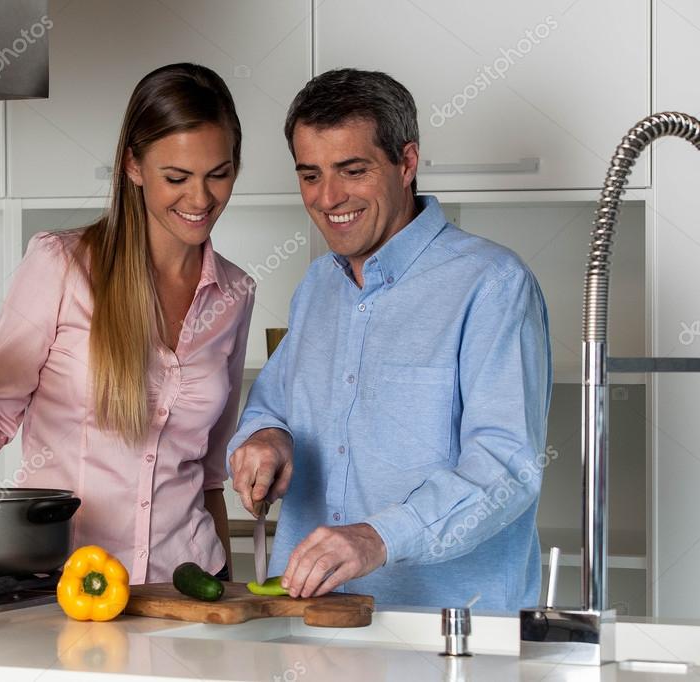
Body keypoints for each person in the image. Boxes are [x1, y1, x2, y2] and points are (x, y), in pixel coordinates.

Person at [228, 69, 551, 611]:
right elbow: (273, 408)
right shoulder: (317, 287)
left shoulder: (492, 284)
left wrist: (378, 537)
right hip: (311, 623)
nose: (328, 197)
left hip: (446, 633)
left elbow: (506, 469)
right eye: (310, 175)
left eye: (352, 170)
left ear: (407, 163)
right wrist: (267, 439)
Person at [0, 63, 254, 584]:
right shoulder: (61, 265)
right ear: (133, 165)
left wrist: (227, 598)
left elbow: (210, 477)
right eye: (176, 177)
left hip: (191, 582)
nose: (200, 200)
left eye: (218, 175)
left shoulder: (235, 294)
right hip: (67, 586)